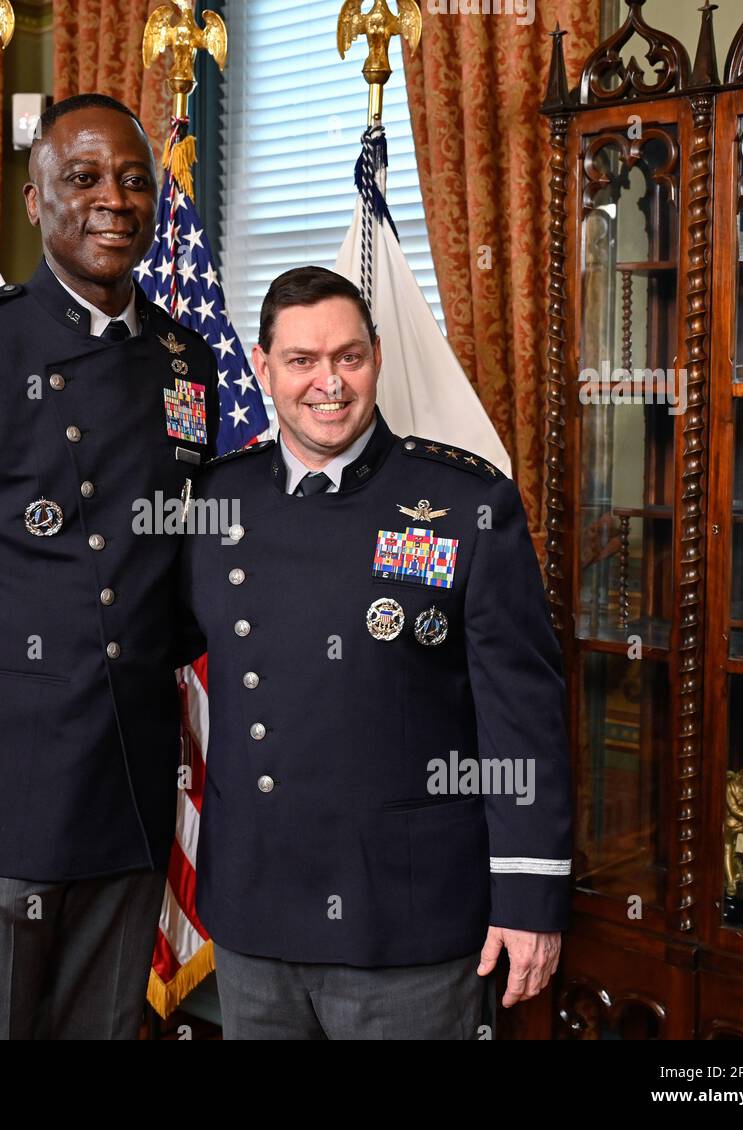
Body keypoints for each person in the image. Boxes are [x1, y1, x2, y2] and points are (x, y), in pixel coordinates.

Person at [0, 93, 219, 1039]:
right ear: (34, 200)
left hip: (128, 805)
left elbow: (178, 583)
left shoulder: (188, 362)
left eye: (136, 180)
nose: (115, 200)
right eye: (85, 178)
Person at [180, 266, 571, 1039]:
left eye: (348, 357)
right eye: (302, 361)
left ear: (378, 357)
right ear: (263, 368)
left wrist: (529, 896)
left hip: (408, 919)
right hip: (258, 916)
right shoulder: (214, 502)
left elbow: (521, 716)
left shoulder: (465, 503)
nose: (328, 383)